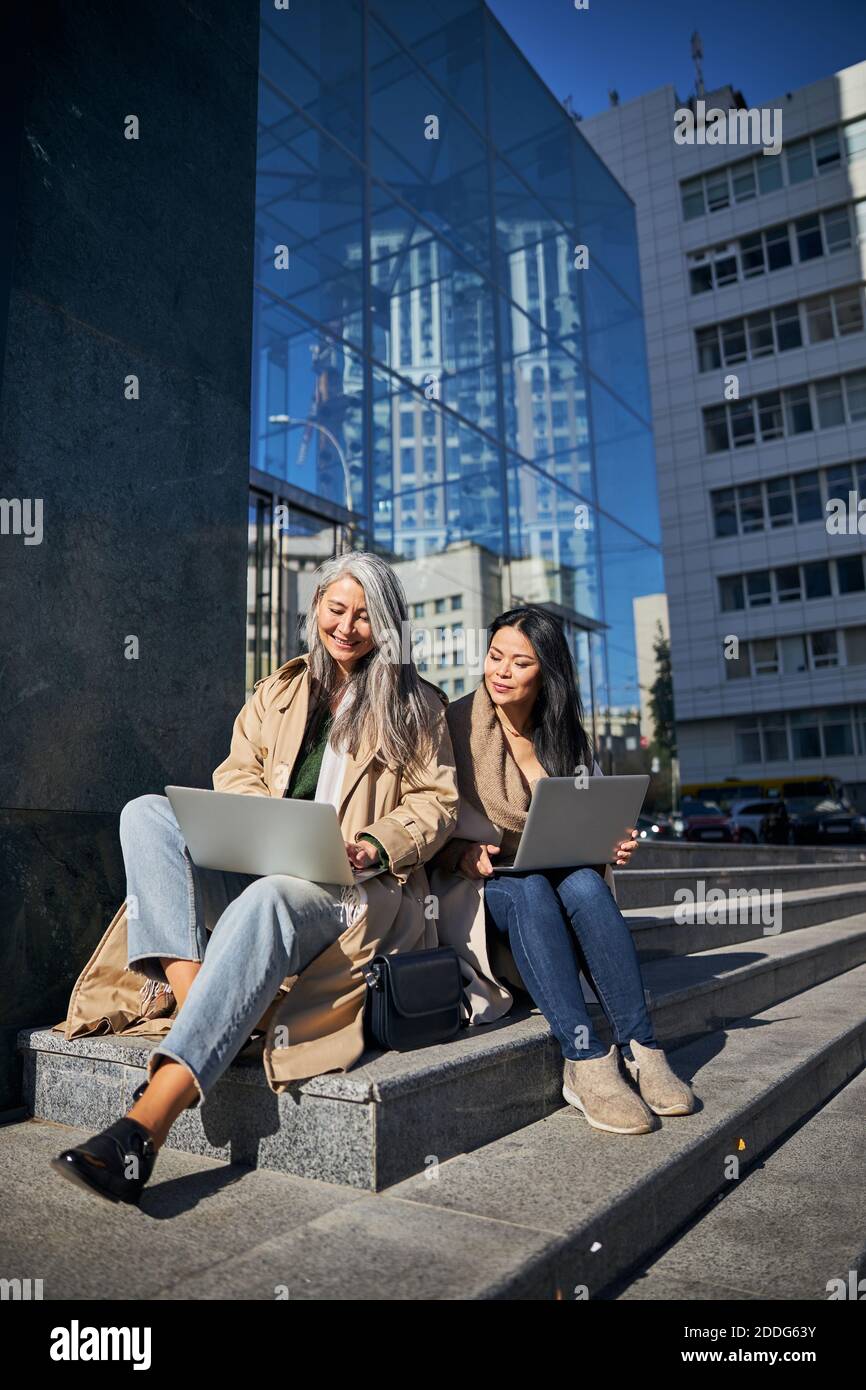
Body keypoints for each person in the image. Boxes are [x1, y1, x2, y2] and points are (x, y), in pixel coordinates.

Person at [50, 551, 459, 1204]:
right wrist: (265, 820)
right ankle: (205, 1010)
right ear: (315, 608)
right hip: (262, 858)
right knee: (148, 815)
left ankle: (143, 1129)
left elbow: (435, 805)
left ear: (386, 625)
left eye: (364, 616)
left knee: (273, 897)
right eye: (335, 609)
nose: (347, 627)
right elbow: (234, 769)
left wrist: (374, 845)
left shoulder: (418, 705)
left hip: (344, 888)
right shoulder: (280, 687)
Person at [429, 605, 696, 1136]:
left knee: (584, 884)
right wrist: (459, 853)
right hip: (480, 888)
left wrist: (611, 843)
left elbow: (593, 818)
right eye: (494, 656)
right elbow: (427, 818)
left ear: (546, 673)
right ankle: (585, 1057)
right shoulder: (452, 725)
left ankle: (642, 1046)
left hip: (559, 879)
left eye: (519, 662)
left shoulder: (566, 736)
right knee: (529, 887)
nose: (500, 671)